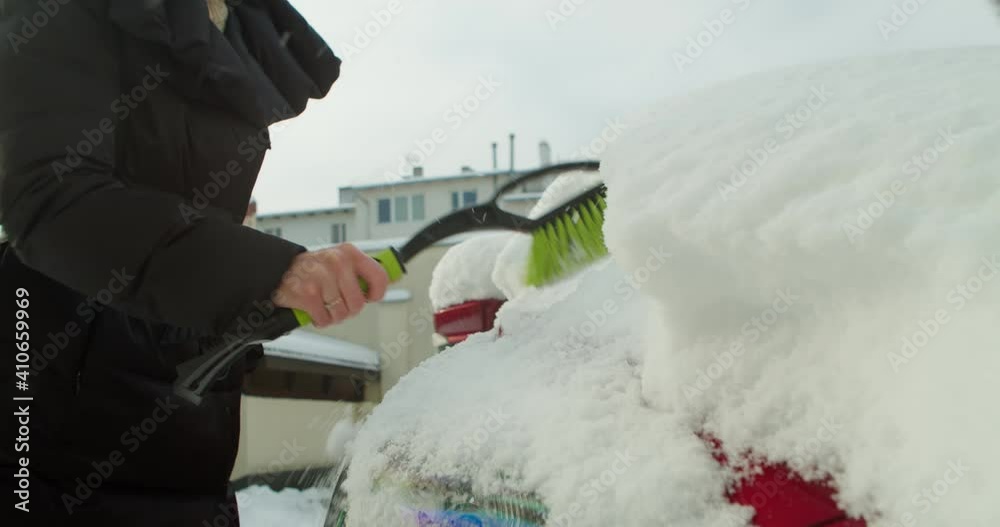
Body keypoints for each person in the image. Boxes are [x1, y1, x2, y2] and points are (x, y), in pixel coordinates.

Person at [0, 0, 389, 524]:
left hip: (190, 425)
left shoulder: (230, 21)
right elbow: (52, 199)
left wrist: (263, 300)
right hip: (47, 426)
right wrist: (268, 272)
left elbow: (194, 220)